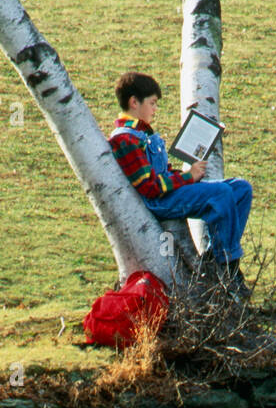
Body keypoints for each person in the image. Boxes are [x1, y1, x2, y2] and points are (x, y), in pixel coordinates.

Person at [108, 71, 253, 296]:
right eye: (152, 103)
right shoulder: (124, 139)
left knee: (241, 189)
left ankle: (216, 258)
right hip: (159, 202)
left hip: (168, 193)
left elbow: (161, 174)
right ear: (134, 102)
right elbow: (149, 186)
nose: (155, 109)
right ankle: (227, 268)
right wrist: (187, 177)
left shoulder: (143, 134)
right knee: (222, 193)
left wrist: (188, 175)